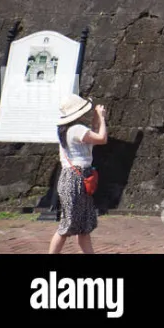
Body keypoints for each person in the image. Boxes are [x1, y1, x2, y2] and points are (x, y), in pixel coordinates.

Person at [49, 94, 107, 254]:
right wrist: (102, 118)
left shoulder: (66, 129)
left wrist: (96, 118)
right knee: (67, 225)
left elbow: (93, 135)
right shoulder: (77, 129)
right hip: (77, 178)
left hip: (74, 177)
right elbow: (101, 138)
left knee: (83, 226)